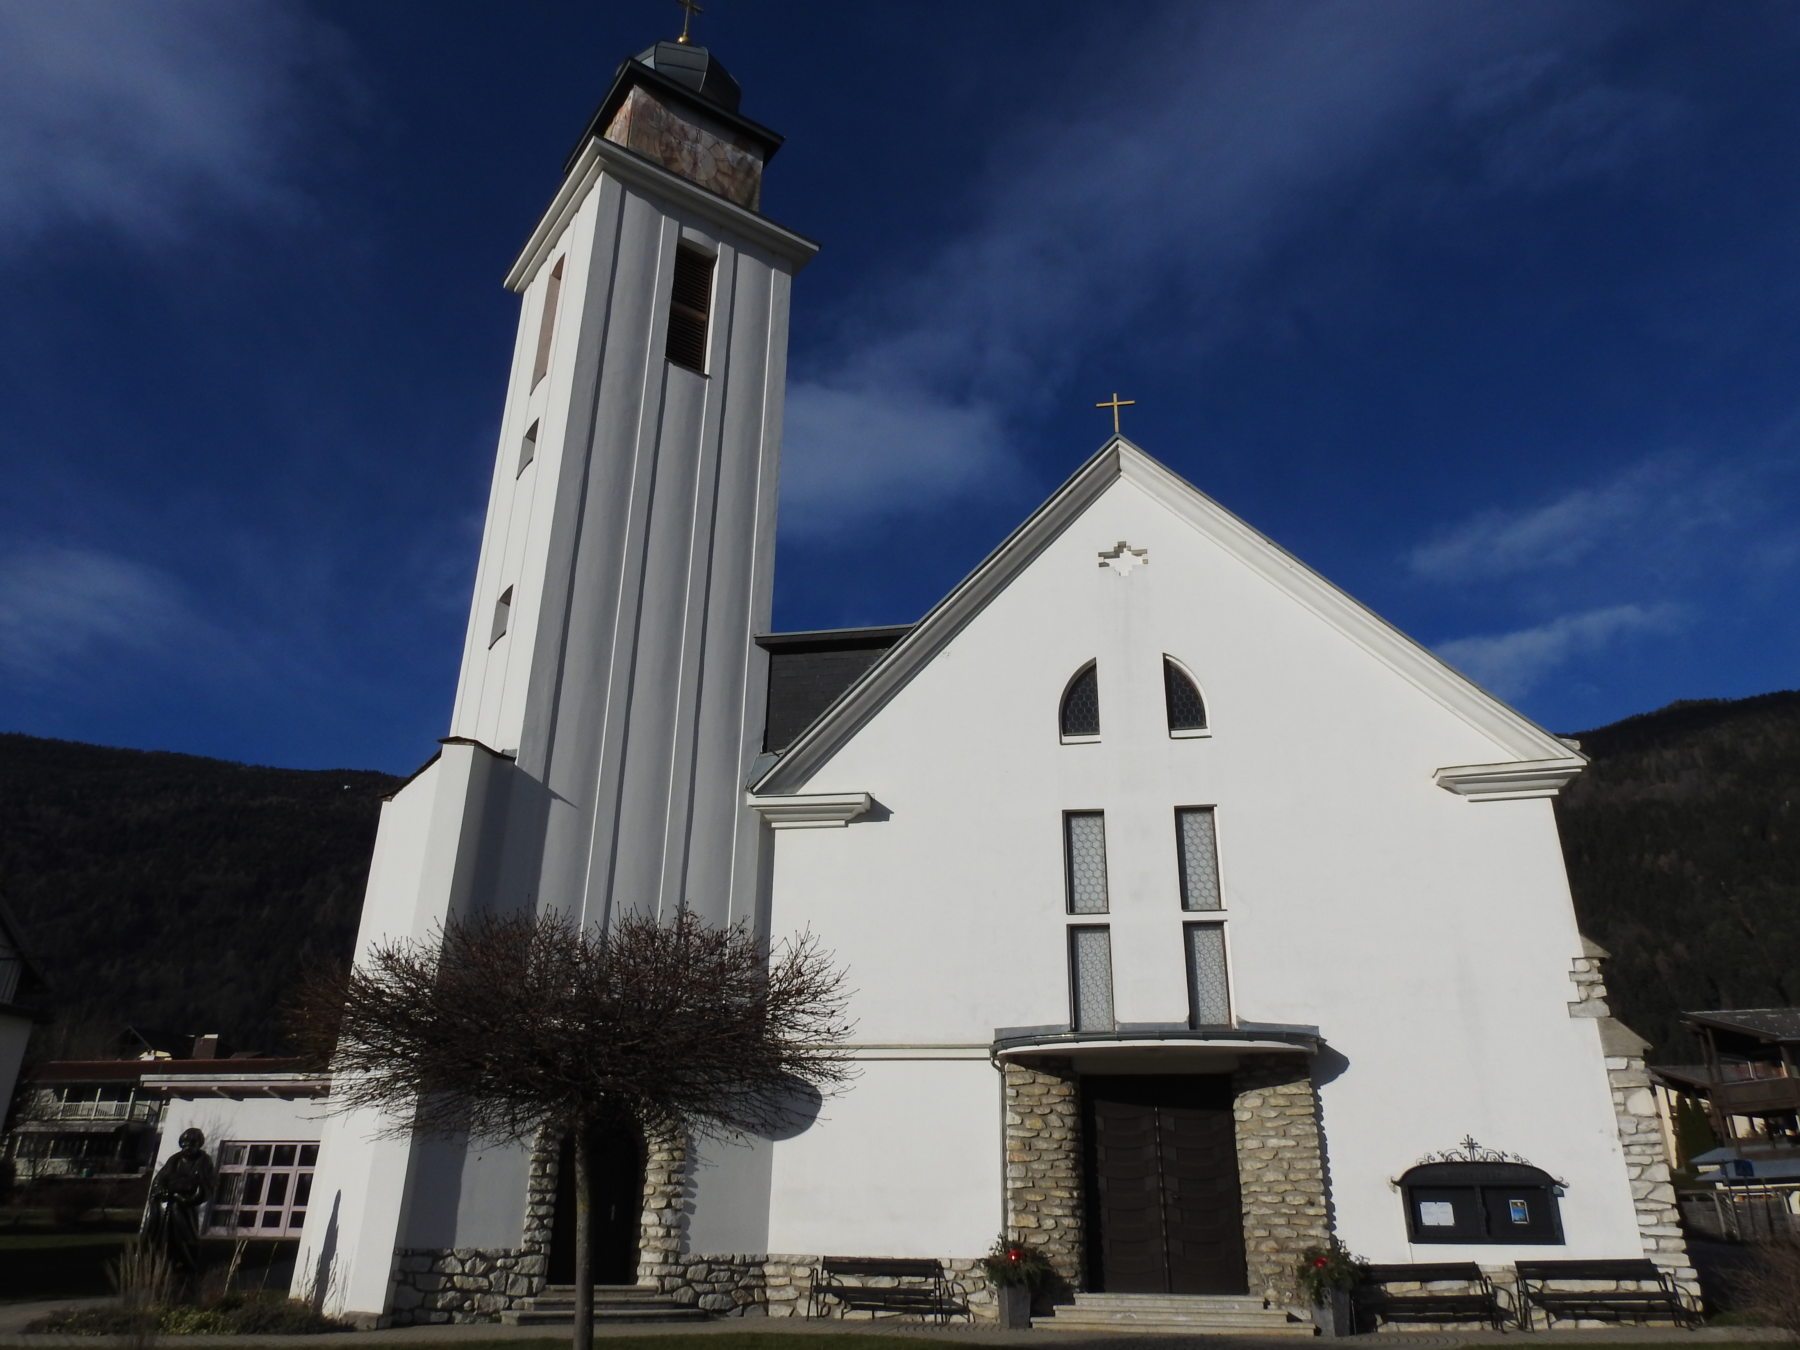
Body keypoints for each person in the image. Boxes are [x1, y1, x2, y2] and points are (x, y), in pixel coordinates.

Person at [142, 1127, 214, 1288]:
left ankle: (187, 1266)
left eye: (192, 1143)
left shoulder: (203, 1161)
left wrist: (184, 1197)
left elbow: (205, 1187)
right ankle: (162, 1264)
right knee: (161, 1236)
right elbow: (159, 1181)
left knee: (186, 1238)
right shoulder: (174, 1160)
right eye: (185, 1143)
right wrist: (163, 1192)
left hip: (184, 1209)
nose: (187, 1147)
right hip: (165, 1208)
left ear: (198, 1144)